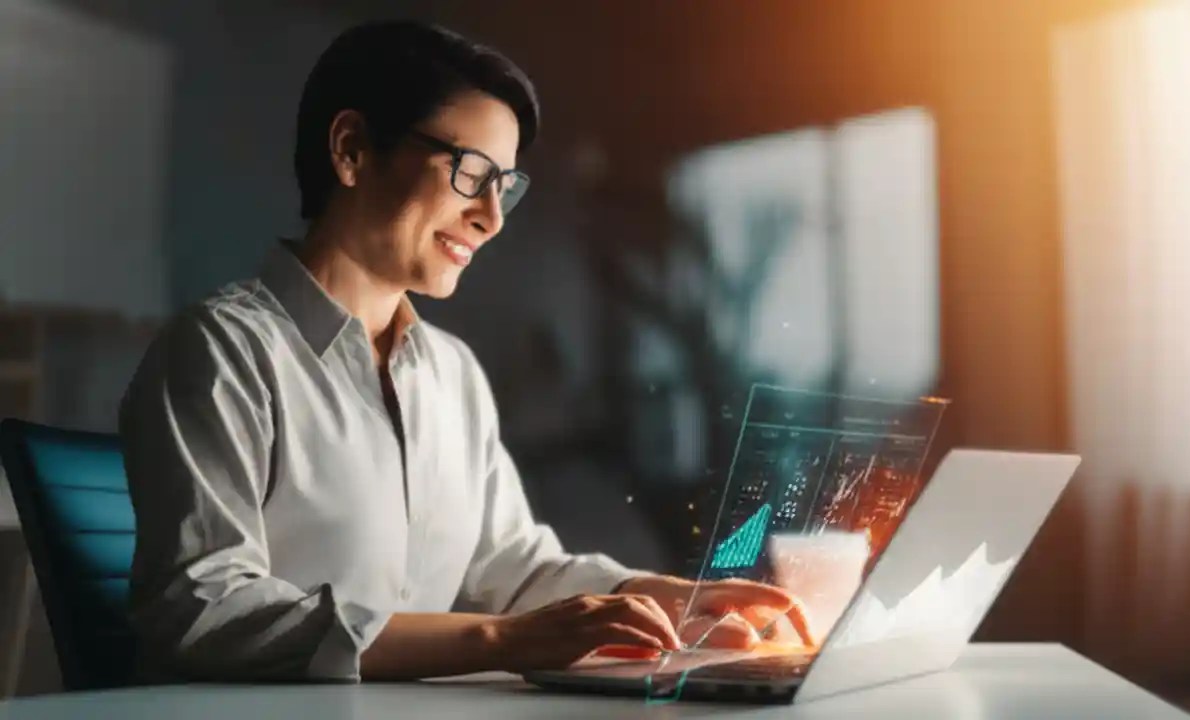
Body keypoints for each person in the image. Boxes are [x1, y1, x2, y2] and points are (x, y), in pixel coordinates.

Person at [119, 20, 810, 682]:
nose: (492, 216)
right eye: (472, 172)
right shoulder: (222, 351)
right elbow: (203, 607)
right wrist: (496, 640)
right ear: (352, 148)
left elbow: (509, 565)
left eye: (505, 185)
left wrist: (666, 596)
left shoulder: (450, 372)